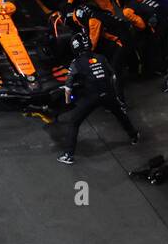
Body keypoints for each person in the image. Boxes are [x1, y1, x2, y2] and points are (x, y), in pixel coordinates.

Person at [57, 36, 139, 164]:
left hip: (92, 97)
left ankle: (68, 155)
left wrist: (68, 102)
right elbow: (113, 76)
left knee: (74, 122)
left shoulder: (76, 63)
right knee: (120, 114)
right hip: (108, 94)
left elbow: (68, 87)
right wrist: (115, 94)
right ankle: (134, 136)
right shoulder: (101, 57)